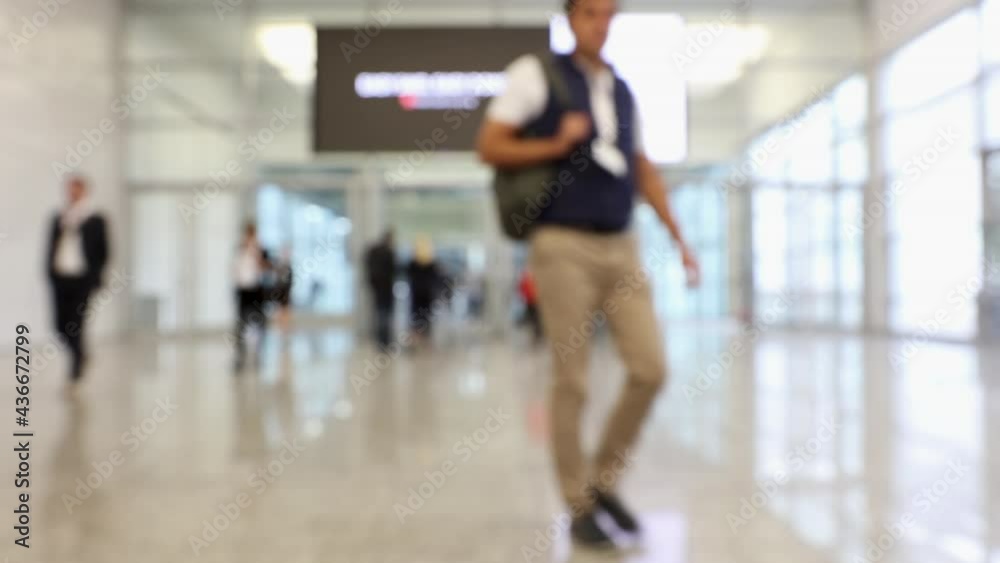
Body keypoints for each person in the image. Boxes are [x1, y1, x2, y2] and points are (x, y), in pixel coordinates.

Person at [476, 0, 701, 547]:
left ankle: (603, 481)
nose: (600, 25)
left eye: (608, 15)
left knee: (650, 368)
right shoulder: (538, 75)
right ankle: (577, 502)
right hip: (562, 243)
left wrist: (679, 238)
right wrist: (556, 142)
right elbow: (489, 145)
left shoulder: (623, 91)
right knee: (571, 378)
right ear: (570, 18)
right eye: (590, 14)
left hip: (620, 243)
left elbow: (641, 167)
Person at [45, 176, 109, 389]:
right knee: (58, 325)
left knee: (76, 324)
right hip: (60, 278)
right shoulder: (59, 217)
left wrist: (97, 279)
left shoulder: (95, 219)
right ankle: (81, 354)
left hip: (82, 281)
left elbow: (104, 252)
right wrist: (49, 273)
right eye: (69, 190)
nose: (72, 194)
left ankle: (76, 368)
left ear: (84, 191)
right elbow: (50, 248)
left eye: (76, 190)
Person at [233, 222, 266, 372]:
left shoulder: (259, 249)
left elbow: (264, 267)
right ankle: (240, 357)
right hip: (242, 289)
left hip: (255, 289)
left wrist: (255, 252)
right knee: (241, 323)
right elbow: (235, 268)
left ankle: (258, 354)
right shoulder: (239, 249)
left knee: (259, 321)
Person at [405, 235, 444, 347]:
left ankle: (420, 338)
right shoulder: (427, 264)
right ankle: (421, 338)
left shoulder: (415, 264)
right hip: (423, 294)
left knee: (419, 317)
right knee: (423, 317)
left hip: (421, 294)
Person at [364, 230, 397, 347]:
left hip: (378, 288)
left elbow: (368, 268)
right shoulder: (387, 252)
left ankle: (380, 339)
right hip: (385, 288)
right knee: (385, 314)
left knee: (380, 313)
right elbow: (393, 271)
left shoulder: (373, 251)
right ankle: (384, 340)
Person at [272, 245, 294, 333]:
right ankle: (281, 327)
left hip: (286, 292)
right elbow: (277, 280)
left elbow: (290, 282)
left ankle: (286, 327)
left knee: (286, 310)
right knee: (280, 310)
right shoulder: (279, 267)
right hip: (280, 292)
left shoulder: (289, 268)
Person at [519, 268, 543, 343]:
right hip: (530, 302)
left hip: (535, 301)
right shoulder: (527, 280)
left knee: (535, 319)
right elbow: (522, 289)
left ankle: (537, 333)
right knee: (533, 318)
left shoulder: (535, 280)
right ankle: (535, 333)